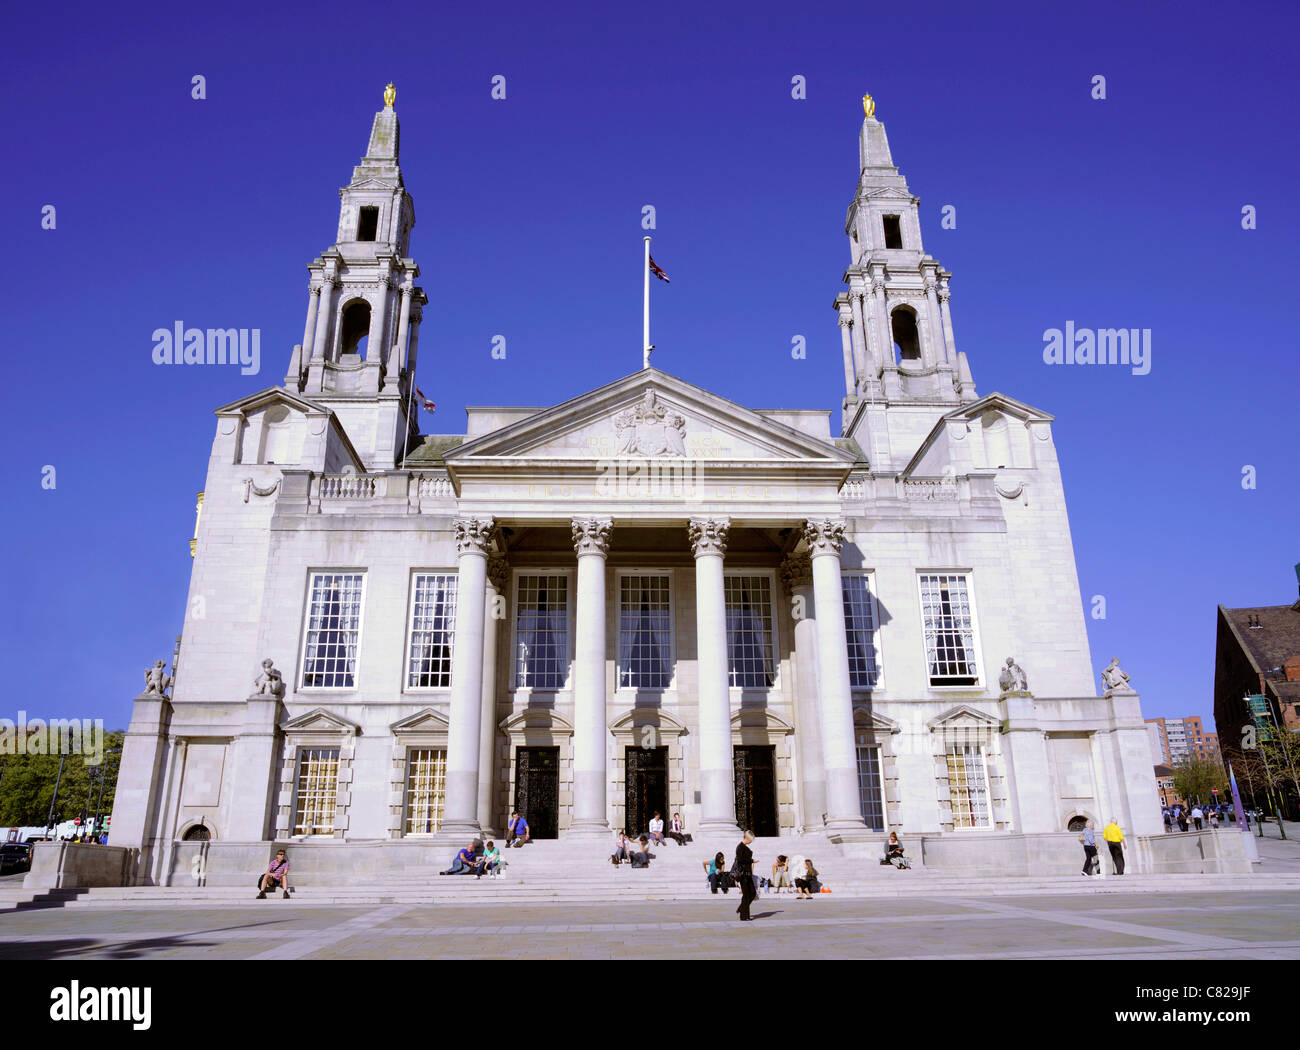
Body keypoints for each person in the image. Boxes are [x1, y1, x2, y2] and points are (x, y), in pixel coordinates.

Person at [734, 831, 756, 921]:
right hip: (743, 875)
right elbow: (740, 861)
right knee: (746, 895)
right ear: (747, 838)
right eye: (751, 840)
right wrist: (751, 861)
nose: (751, 842)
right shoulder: (740, 847)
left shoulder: (744, 847)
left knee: (752, 893)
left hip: (748, 874)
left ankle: (742, 908)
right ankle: (744, 916)